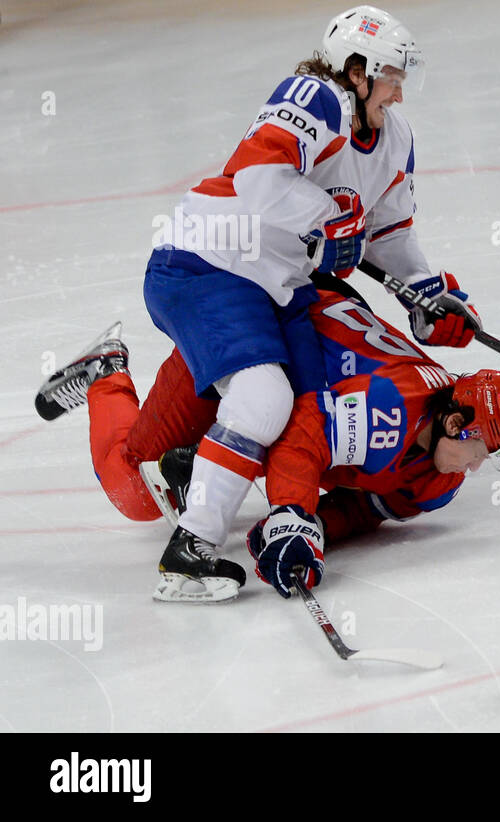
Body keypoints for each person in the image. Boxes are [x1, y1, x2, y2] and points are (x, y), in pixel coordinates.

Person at [128, 6, 481, 600]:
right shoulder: (316, 95)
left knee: (309, 406)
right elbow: (254, 176)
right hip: (211, 261)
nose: (399, 91)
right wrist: (330, 218)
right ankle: (187, 555)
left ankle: (229, 483)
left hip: (276, 286)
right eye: (392, 75)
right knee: (259, 400)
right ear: (355, 69)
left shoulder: (397, 138)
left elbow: (389, 233)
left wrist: (423, 288)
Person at [36, 287, 500, 602]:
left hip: (280, 385)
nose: (478, 467)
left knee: (229, 460)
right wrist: (290, 513)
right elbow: (303, 438)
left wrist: (311, 530)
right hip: (245, 340)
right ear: (455, 423)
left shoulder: (434, 483)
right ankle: (106, 373)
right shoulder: (392, 409)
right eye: (485, 449)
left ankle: (203, 460)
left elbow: (361, 509)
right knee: (137, 492)